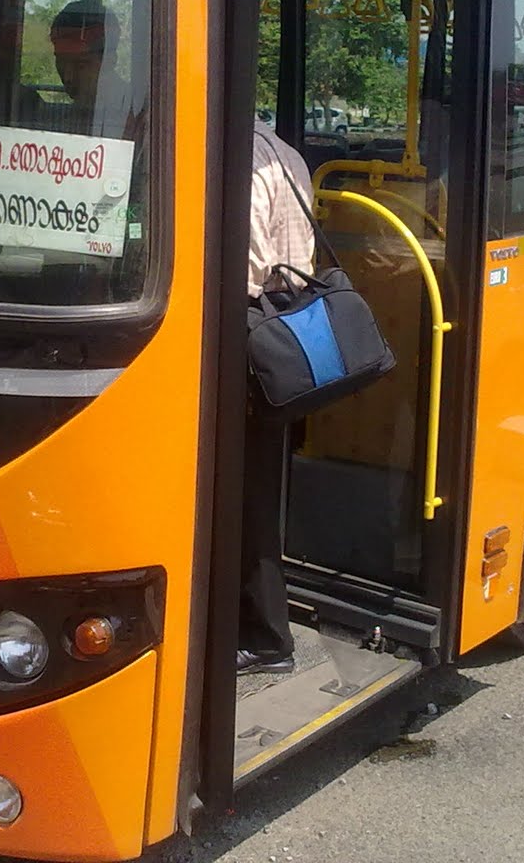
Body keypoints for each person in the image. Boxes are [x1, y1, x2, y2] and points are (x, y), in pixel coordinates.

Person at [237, 122, 317, 675]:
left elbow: (240, 274)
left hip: (253, 335)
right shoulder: (283, 151)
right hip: (292, 335)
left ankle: (267, 640)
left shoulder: (240, 162)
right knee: (258, 490)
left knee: (246, 498)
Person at [40, 1, 133, 138]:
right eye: (61, 61)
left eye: (81, 64)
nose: (68, 76)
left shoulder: (134, 119)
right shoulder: (74, 117)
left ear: (110, 60)